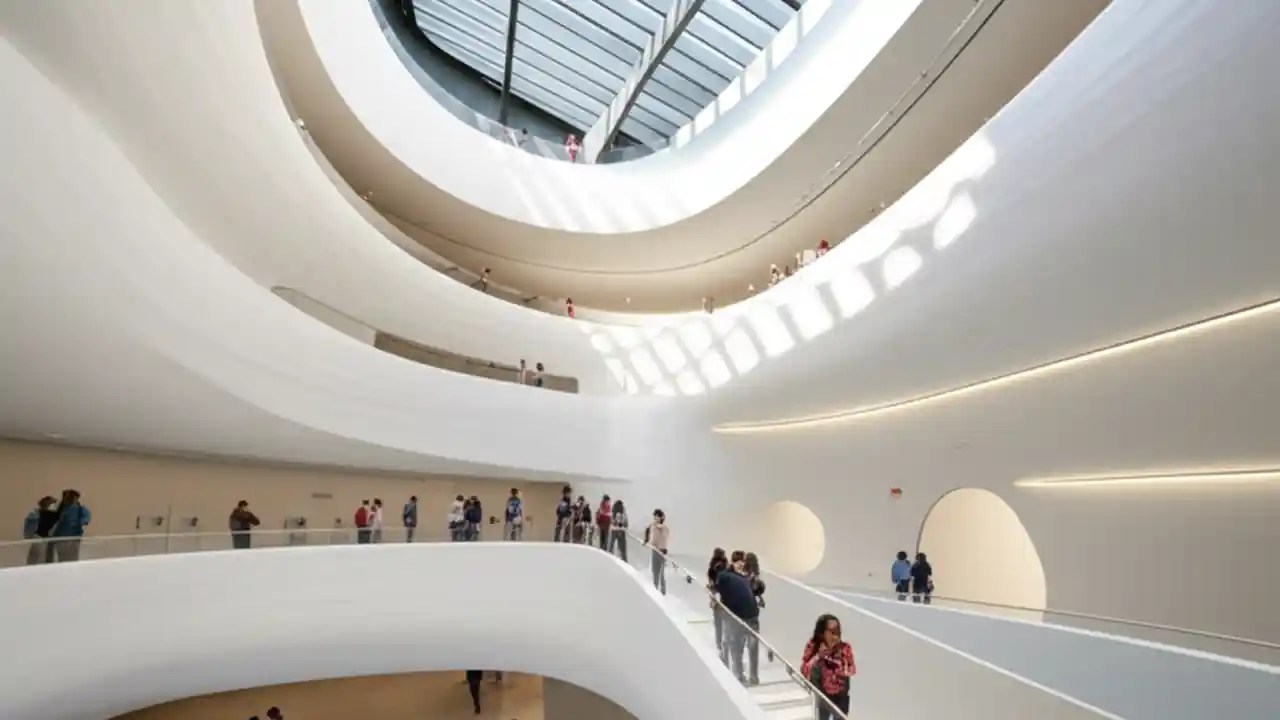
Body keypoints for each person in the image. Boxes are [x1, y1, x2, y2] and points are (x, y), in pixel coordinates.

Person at [715, 554, 760, 685]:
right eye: (738, 562)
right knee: (741, 648)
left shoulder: (741, 577)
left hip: (747, 618)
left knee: (745, 648)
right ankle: (744, 675)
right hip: (743, 618)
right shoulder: (731, 577)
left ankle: (747, 676)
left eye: (742, 562)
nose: (741, 565)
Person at [801, 614, 855, 720]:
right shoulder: (813, 646)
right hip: (823, 696)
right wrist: (818, 657)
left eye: (838, 631)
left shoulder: (845, 648)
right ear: (822, 633)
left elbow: (851, 669)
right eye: (832, 632)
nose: (836, 635)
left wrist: (841, 664)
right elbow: (804, 669)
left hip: (841, 695)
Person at [50, 489, 91, 562]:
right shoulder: (61, 509)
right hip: (60, 539)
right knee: (62, 559)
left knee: (72, 559)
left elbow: (86, 518)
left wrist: (78, 523)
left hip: (72, 539)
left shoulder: (80, 508)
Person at [23, 496, 59, 565]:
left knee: (43, 559)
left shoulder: (50, 515)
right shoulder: (36, 515)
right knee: (37, 559)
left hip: (46, 539)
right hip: (40, 538)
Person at [707, 548, 729, 654]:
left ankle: (719, 642)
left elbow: (711, 584)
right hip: (726, 599)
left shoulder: (712, 567)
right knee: (726, 622)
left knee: (718, 622)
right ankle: (724, 643)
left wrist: (712, 600)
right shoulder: (726, 568)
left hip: (717, 599)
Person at [644, 509, 669, 594]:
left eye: (657, 516)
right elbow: (650, 535)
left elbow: (665, 537)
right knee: (655, 572)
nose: (655, 518)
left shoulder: (664, 528)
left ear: (661, 517)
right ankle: (655, 590)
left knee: (661, 574)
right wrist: (646, 541)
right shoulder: (652, 526)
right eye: (655, 516)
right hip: (655, 551)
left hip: (662, 552)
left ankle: (663, 592)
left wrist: (659, 527)